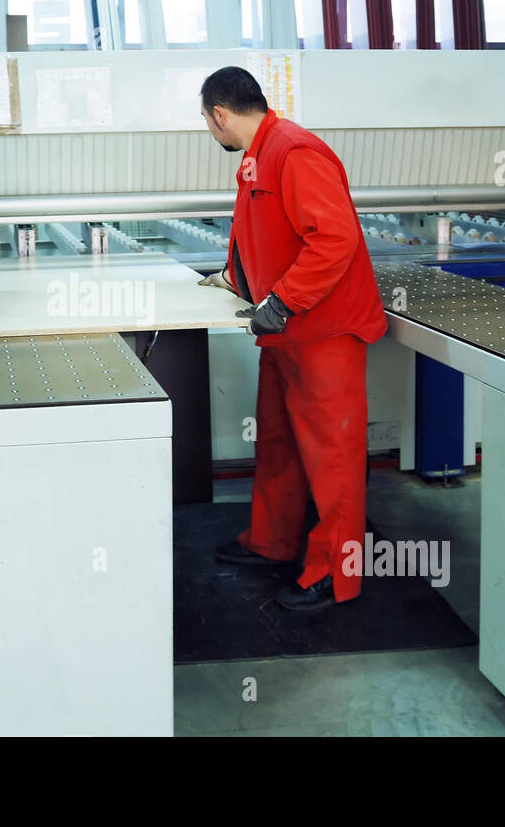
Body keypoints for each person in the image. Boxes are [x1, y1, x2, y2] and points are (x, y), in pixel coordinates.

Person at [197, 66, 387, 612]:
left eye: (208, 124)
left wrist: (281, 302)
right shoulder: (259, 156)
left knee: (334, 461)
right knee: (278, 444)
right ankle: (274, 542)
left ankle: (337, 574)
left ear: (220, 114)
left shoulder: (294, 152)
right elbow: (261, 233)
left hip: (322, 332)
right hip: (287, 331)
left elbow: (334, 239)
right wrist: (233, 278)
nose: (212, 133)